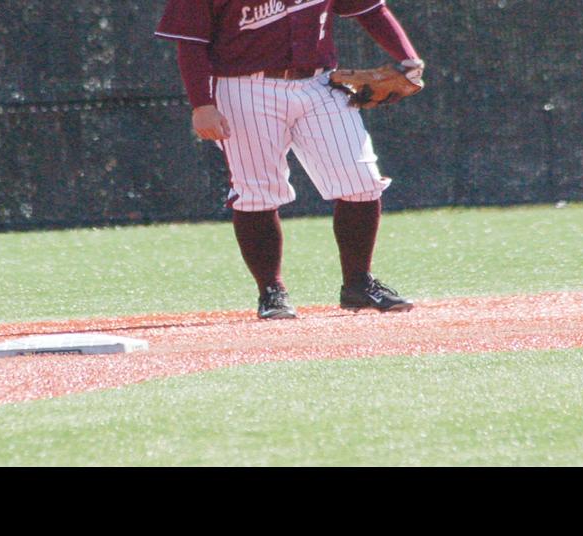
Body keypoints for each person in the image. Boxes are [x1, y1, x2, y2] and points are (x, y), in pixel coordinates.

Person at [155, 0, 424, 319]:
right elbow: (190, 44)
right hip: (243, 86)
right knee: (257, 192)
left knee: (362, 182)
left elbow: (370, 10)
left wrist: (408, 58)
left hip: (320, 84)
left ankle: (358, 285)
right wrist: (202, 104)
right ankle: (271, 292)